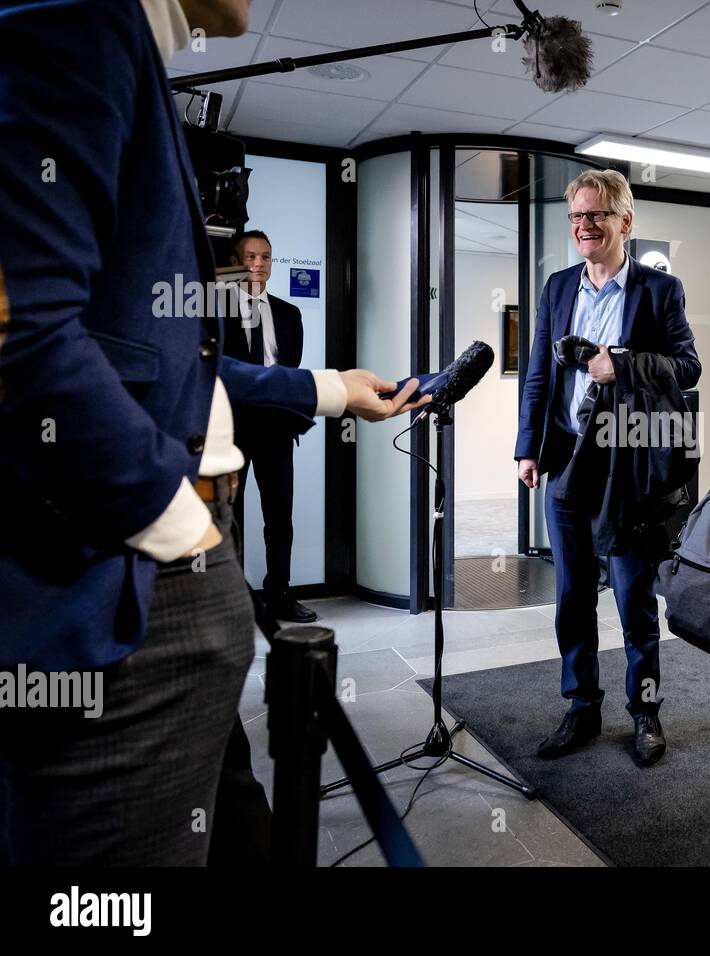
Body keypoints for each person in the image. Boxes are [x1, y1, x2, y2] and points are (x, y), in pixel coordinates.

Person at [0, 0, 427, 865]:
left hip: (170, 565)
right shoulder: (80, 18)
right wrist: (182, 527)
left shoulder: (128, 50)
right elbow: (21, 334)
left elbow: (162, 362)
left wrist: (330, 390)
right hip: (124, 586)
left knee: (233, 824)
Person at [515, 169, 700, 767]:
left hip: (630, 464)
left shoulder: (657, 291)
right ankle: (581, 706)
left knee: (632, 595)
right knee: (571, 593)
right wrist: (528, 447)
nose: (583, 227)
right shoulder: (557, 287)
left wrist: (621, 364)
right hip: (569, 455)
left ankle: (645, 711)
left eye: (595, 216)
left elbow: (687, 367)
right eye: (575, 217)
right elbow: (539, 374)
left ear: (625, 221)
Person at [222, 228, 316, 623]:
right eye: (250, 257)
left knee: (279, 518)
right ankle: (231, 602)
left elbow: (289, 373)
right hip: (232, 432)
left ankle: (279, 594)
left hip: (277, 431)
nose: (258, 265)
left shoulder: (289, 314)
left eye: (265, 258)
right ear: (236, 262)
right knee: (229, 517)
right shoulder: (216, 311)